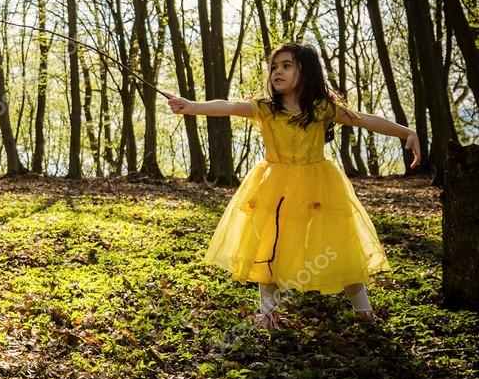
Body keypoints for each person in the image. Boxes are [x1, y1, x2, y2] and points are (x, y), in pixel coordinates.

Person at [167, 42, 421, 329]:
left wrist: (406, 132)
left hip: (319, 185)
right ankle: (268, 313)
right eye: (274, 67)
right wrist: (191, 106)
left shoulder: (321, 109)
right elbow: (229, 106)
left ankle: (364, 311)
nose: (277, 71)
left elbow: (366, 120)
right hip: (274, 186)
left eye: (286, 66)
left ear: (306, 71)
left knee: (337, 244)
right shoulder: (265, 108)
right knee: (269, 245)